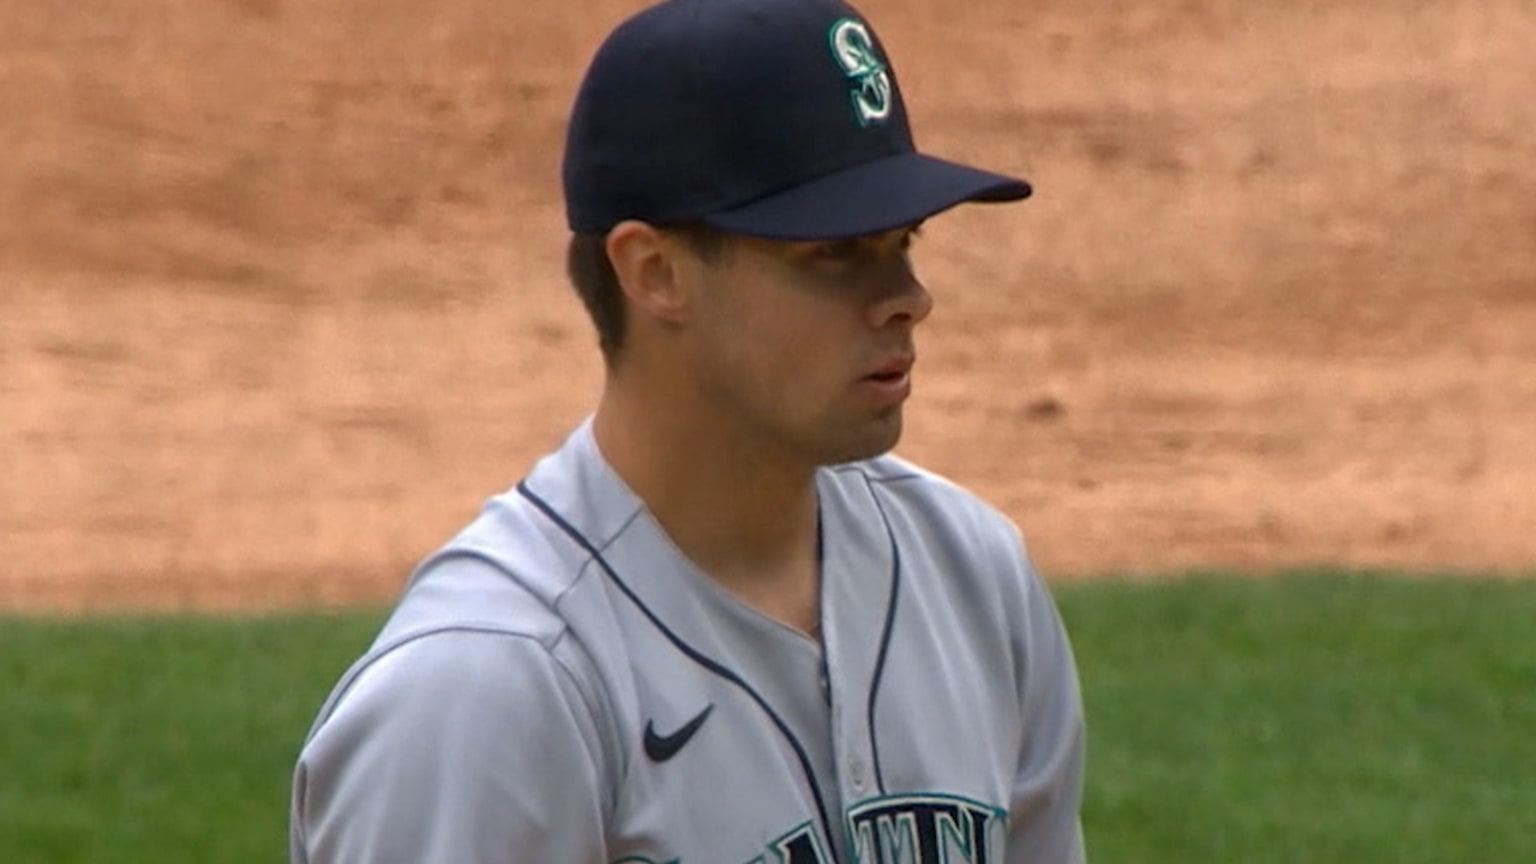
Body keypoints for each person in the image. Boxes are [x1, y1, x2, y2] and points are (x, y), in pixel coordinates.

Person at [289, 0, 1087, 861]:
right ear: (655, 272)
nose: (907, 297)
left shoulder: (972, 578)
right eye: (832, 253)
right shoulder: (488, 692)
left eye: (905, 240)